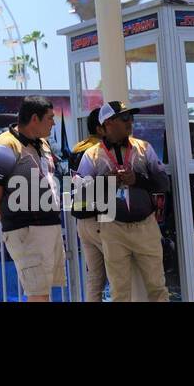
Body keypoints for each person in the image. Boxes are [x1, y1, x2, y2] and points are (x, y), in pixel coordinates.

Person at [76, 101, 170, 302]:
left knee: (157, 287)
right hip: (112, 228)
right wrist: (106, 181)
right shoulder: (90, 155)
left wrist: (137, 179)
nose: (130, 122)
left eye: (131, 117)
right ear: (107, 124)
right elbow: (77, 197)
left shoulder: (144, 148)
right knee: (119, 292)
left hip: (146, 226)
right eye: (125, 118)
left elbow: (163, 183)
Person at [0, 95, 64, 302]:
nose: (54, 123)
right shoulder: (5, 144)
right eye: (50, 118)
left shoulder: (43, 143)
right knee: (37, 294)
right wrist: (13, 217)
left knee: (44, 292)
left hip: (49, 226)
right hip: (26, 231)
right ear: (35, 119)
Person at [69, 107, 107, 302]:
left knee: (94, 279)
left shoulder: (77, 148)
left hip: (82, 222)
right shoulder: (99, 150)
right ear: (100, 128)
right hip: (100, 220)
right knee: (121, 273)